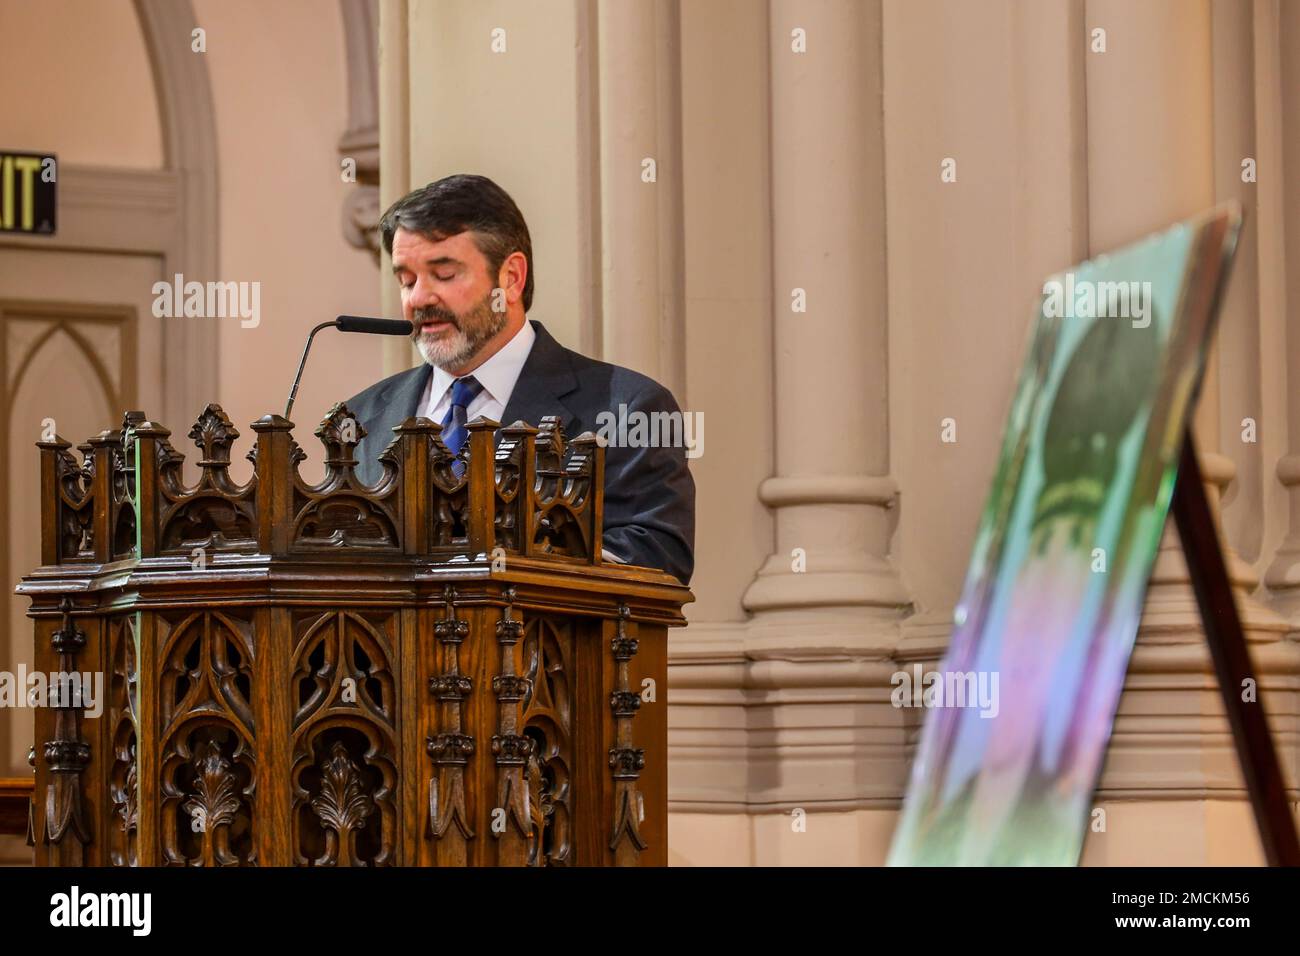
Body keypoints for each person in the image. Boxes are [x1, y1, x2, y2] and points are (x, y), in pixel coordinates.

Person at [344, 174, 695, 584]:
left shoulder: (627, 408)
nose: (419, 298)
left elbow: (656, 562)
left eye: (443, 274)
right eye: (407, 280)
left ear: (510, 278)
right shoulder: (364, 416)